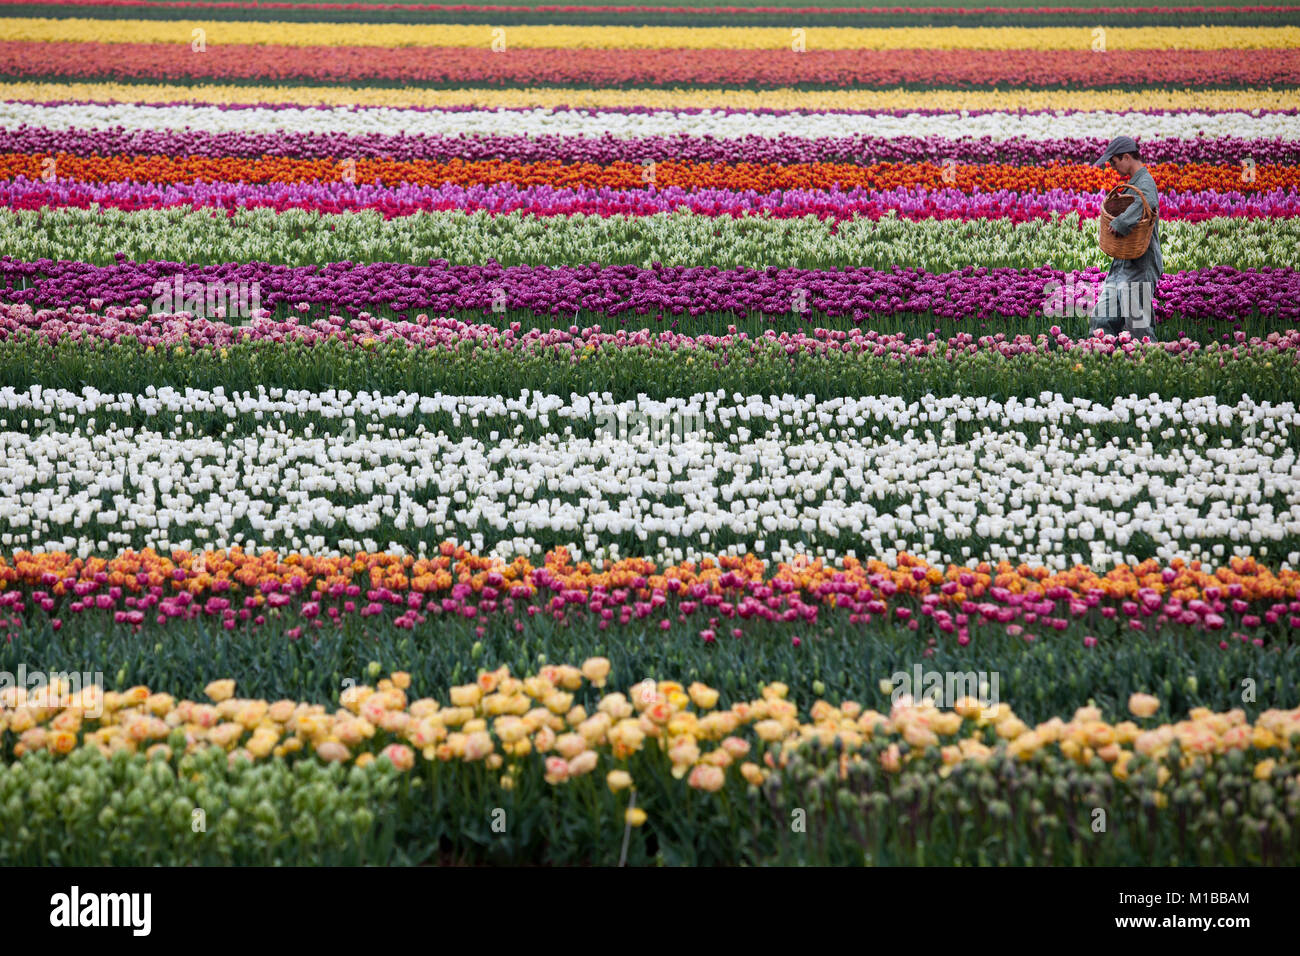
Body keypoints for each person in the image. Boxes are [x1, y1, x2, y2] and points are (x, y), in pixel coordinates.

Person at [1089, 135, 1162, 339]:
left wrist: (1121, 222)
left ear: (1127, 157)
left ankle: (1149, 363)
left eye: (1114, 162)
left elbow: (1147, 202)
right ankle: (1101, 359)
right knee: (1101, 318)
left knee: (1138, 326)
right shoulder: (1134, 184)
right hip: (1122, 264)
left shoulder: (1145, 182)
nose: (1113, 167)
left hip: (1141, 264)